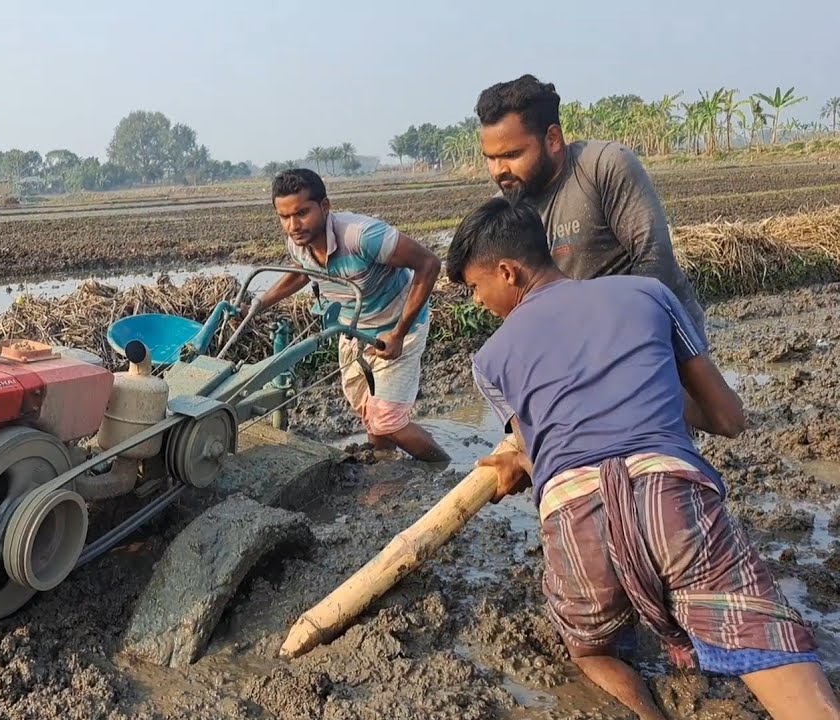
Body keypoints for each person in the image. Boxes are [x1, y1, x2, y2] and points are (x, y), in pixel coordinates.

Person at [445, 196, 840, 720]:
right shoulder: (648, 294)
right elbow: (728, 418)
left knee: (590, 647)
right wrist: (655, 390)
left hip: (576, 518)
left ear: (507, 272)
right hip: (671, 497)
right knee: (773, 647)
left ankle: (646, 711)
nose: (477, 302)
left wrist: (520, 462)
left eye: (475, 288)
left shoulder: (489, 360)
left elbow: (544, 457)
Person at [474, 74, 708, 343]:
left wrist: (618, 342)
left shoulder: (602, 167)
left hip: (659, 336)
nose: (498, 170)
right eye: (490, 158)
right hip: (584, 348)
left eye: (512, 155)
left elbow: (655, 259)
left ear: (552, 139)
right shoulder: (506, 209)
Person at [249, 168, 449, 462]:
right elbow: (302, 275)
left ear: (325, 206)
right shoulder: (297, 242)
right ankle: (385, 463)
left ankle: (442, 467)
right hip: (354, 329)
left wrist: (398, 334)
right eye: (284, 217)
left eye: (302, 212)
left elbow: (429, 264)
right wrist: (258, 304)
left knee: (389, 420)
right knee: (368, 408)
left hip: (398, 326)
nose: (293, 225)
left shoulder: (361, 236)